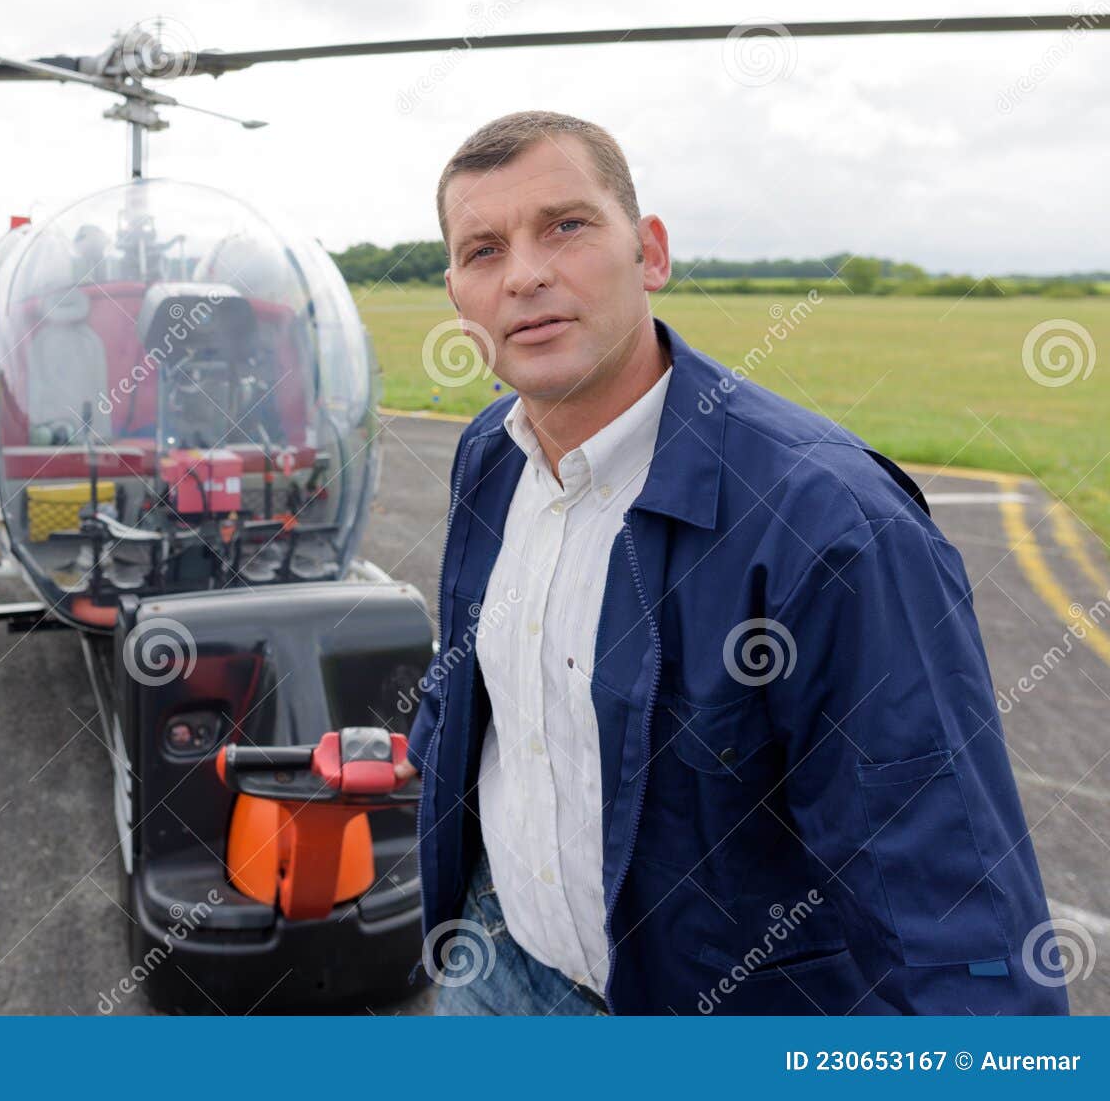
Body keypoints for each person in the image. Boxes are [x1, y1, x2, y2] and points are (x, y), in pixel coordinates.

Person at [394, 110, 1065, 1016]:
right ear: (458, 296)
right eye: (483, 250)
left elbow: (947, 896)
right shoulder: (491, 456)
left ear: (652, 255)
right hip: (498, 967)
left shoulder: (832, 527)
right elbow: (479, 682)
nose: (525, 275)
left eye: (566, 225)